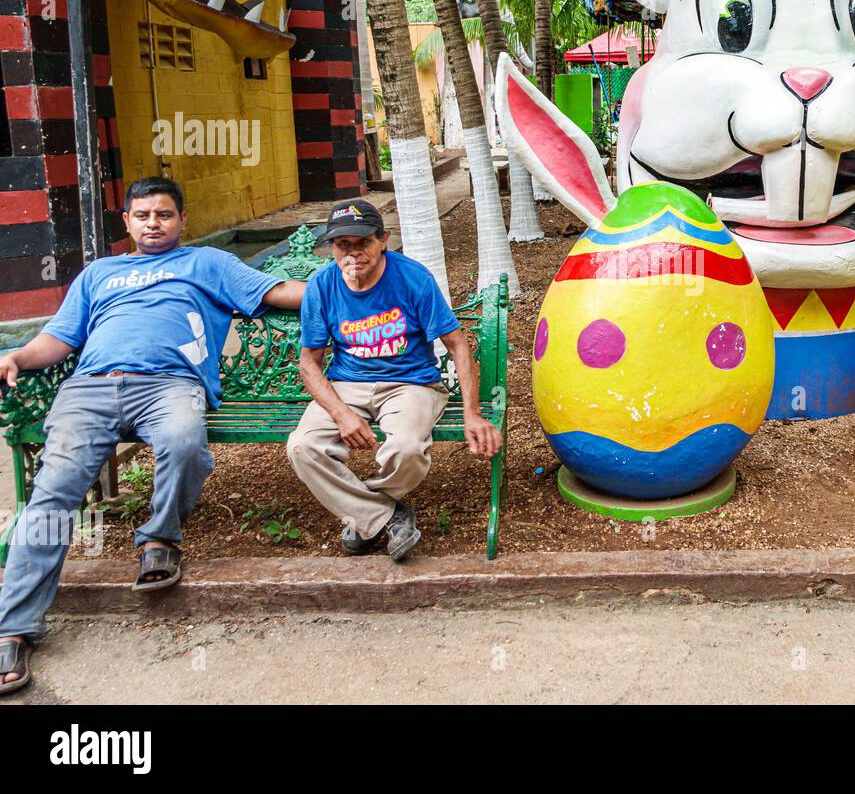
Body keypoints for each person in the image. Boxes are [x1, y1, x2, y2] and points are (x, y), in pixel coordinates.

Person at [0, 177, 306, 697]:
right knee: (52, 495)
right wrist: (16, 357)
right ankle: (13, 629)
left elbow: (280, 292)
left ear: (182, 220)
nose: (153, 224)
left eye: (164, 215)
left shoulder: (208, 264)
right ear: (127, 222)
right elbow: (60, 337)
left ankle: (161, 539)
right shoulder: (98, 274)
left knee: (186, 444)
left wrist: (356, 289)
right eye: (142, 215)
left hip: (170, 385)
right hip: (90, 390)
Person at [287, 199, 501, 561]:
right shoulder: (322, 286)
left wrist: (472, 412)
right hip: (347, 385)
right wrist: (341, 414)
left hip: (411, 384)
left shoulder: (412, 278)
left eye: (363, 242)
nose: (354, 253)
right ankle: (388, 516)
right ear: (332, 248)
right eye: (343, 245)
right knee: (302, 447)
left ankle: (364, 514)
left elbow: (457, 344)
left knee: (406, 450)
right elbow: (309, 363)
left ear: (382, 240)